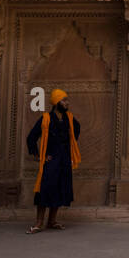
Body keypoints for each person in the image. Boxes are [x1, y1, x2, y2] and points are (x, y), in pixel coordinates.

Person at [26, 88, 81, 233]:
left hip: (64, 160)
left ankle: (52, 221)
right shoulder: (46, 118)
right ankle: (39, 223)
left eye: (67, 100)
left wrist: (70, 147)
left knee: (60, 189)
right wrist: (39, 156)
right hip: (51, 161)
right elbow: (31, 138)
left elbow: (76, 130)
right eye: (64, 100)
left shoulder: (69, 118)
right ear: (56, 102)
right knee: (44, 190)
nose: (67, 103)